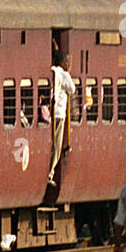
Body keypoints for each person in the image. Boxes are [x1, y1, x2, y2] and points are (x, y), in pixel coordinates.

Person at [47, 50, 75, 186]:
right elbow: (72, 89)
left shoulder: (52, 70)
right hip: (59, 114)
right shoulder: (64, 74)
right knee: (57, 146)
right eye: (68, 62)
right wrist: (68, 73)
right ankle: (50, 173)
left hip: (49, 113)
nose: (69, 64)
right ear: (63, 63)